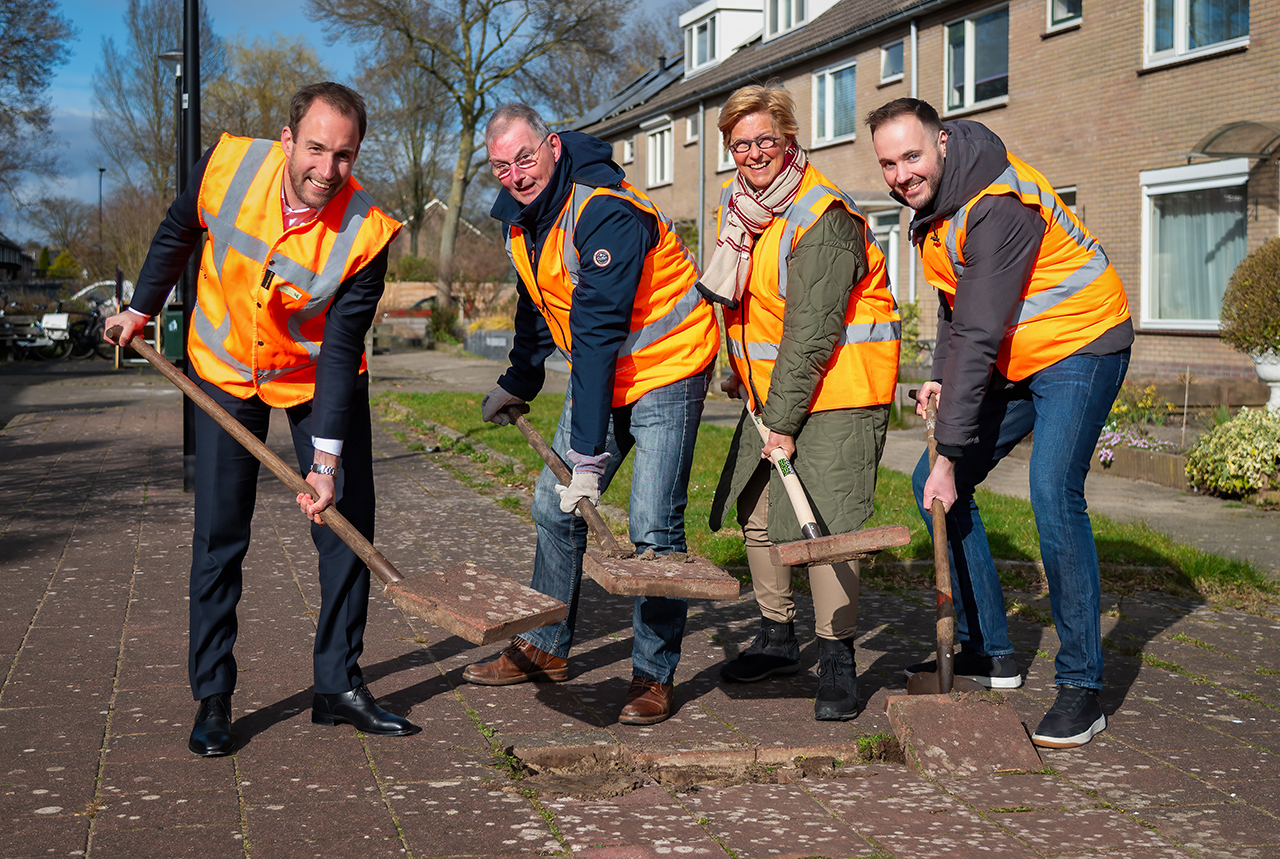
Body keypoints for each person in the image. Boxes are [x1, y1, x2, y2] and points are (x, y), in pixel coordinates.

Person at [104, 82, 418, 756]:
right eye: (314, 148)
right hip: (223, 374)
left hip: (314, 381)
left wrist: (325, 461)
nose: (326, 170)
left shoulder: (367, 231)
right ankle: (212, 695)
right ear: (286, 140)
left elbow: (339, 349)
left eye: (343, 155)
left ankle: (338, 685)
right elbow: (177, 231)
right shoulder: (226, 166)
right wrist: (140, 307)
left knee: (343, 524)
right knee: (220, 534)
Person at [867, 98, 1132, 748]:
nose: (902, 173)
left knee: (1052, 493)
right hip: (1019, 351)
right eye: (888, 163)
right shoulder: (935, 210)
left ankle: (1082, 687)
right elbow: (958, 312)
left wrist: (954, 452)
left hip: (1082, 343)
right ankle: (991, 652)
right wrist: (938, 373)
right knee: (930, 479)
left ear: (944, 145)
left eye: (912, 156)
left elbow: (981, 331)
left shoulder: (996, 204)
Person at [462, 103, 719, 726]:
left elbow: (600, 330)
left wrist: (584, 454)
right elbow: (535, 301)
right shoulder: (519, 218)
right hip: (601, 371)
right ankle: (546, 648)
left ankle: (653, 674)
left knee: (652, 526)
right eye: (502, 167)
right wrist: (518, 380)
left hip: (666, 366)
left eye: (526, 158)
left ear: (551, 146)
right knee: (553, 508)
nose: (517, 175)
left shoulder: (606, 209)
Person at [701, 84, 901, 721]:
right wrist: (739, 373)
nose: (754, 154)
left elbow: (813, 332)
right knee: (759, 509)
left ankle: (838, 656)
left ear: (789, 139)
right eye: (741, 145)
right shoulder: (745, 214)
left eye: (765, 140)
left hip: (837, 394)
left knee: (828, 527)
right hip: (774, 393)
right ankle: (777, 634)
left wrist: (781, 422)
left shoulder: (823, 217)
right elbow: (753, 309)